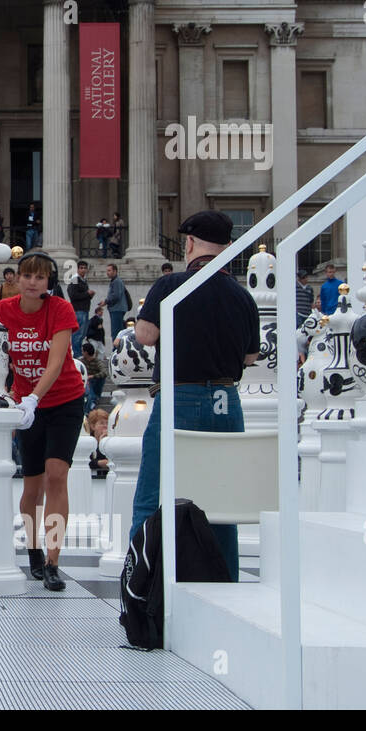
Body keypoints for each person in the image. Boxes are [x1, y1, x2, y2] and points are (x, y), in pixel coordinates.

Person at [131, 210, 260, 583]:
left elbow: (144, 336)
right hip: (226, 399)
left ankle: (144, 582)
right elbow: (251, 356)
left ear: (188, 244)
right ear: (228, 248)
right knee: (221, 499)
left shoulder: (171, 285)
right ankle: (223, 583)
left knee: (153, 494)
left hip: (179, 395)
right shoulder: (242, 296)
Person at [0, 253, 87, 591]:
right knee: (31, 487)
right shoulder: (3, 311)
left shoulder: (59, 309)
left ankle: (53, 560)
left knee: (56, 476)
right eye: (27, 276)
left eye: (41, 277)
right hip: (25, 408)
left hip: (63, 400)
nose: (34, 282)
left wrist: (35, 396)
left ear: (50, 282)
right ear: (16, 279)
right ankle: (33, 551)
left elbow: (56, 360)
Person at [67, 260, 95, 358]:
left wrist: (90, 295)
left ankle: (78, 353)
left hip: (85, 309)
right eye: (81, 268)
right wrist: (87, 294)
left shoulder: (83, 280)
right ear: (78, 269)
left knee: (82, 334)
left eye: (85, 268)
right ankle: (77, 354)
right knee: (78, 334)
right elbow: (73, 295)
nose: (83, 270)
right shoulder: (75, 279)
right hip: (78, 310)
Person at [97, 263, 127, 345]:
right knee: (117, 331)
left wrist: (106, 301)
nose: (107, 272)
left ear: (115, 271)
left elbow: (116, 295)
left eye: (109, 270)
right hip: (116, 309)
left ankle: (116, 351)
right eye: (107, 271)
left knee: (116, 332)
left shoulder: (117, 281)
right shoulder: (115, 281)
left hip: (117, 309)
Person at [80, 341, 107, 413]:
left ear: (86, 352)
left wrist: (93, 376)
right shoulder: (81, 361)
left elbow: (104, 372)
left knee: (91, 392)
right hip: (86, 383)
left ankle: (92, 402)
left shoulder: (97, 362)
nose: (81, 353)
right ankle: (91, 403)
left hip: (94, 382)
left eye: (82, 351)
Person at [86, 408, 110, 479]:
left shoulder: (111, 443)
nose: (105, 426)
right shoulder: (88, 443)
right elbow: (87, 462)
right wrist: (99, 463)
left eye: (107, 423)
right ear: (93, 426)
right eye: (102, 423)